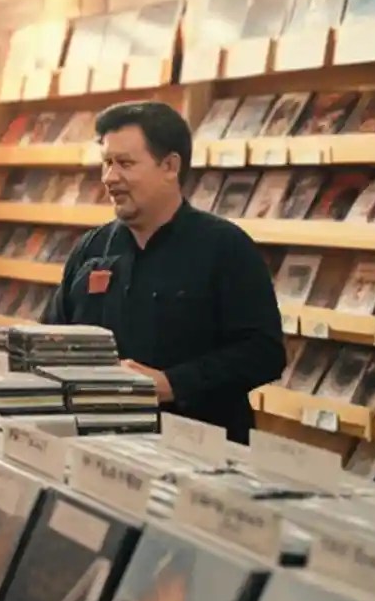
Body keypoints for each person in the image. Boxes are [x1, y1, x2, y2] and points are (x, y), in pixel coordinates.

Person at [41, 101, 286, 442]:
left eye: (125, 163)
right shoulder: (90, 250)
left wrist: (173, 384)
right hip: (97, 449)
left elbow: (263, 353)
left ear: (170, 166)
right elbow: (49, 340)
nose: (110, 178)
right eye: (107, 163)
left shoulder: (225, 248)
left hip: (197, 455)